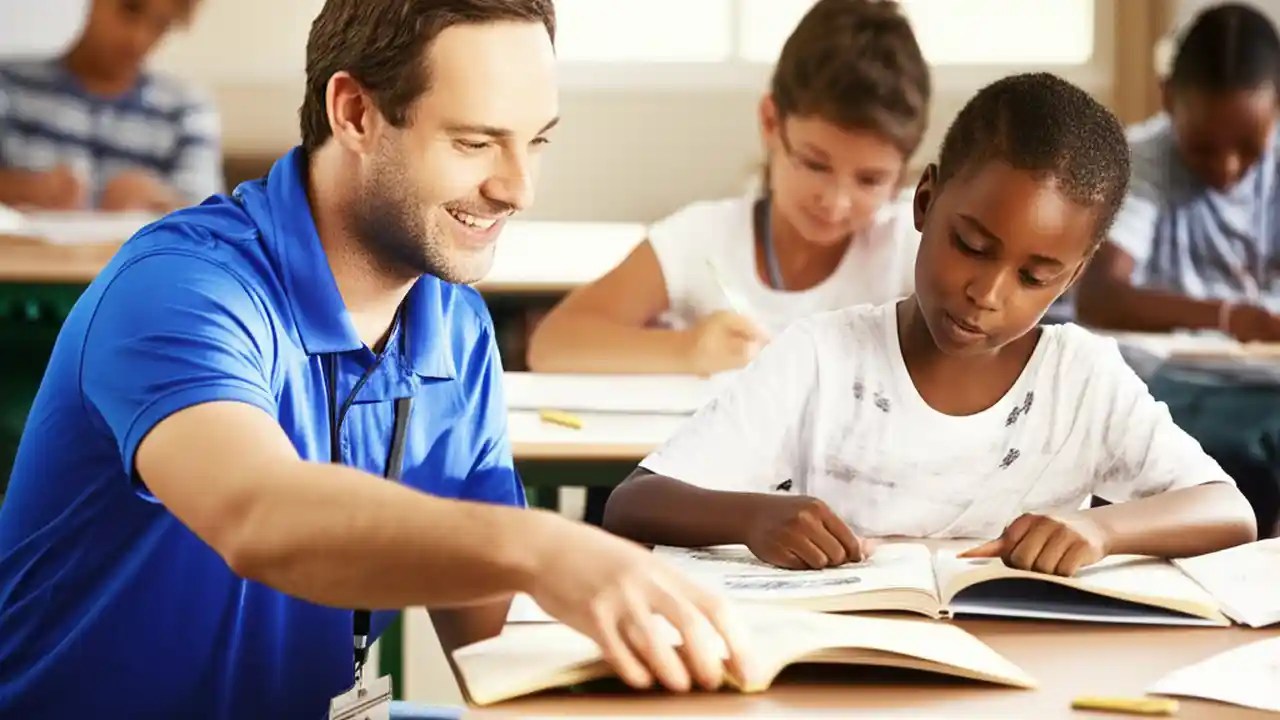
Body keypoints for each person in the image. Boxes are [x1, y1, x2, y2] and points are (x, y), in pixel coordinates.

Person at [0, 2, 753, 717]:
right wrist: (546, 545)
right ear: (355, 113)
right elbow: (259, 516)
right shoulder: (179, 287)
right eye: (474, 141)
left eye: (539, 140)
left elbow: (495, 636)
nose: (518, 187)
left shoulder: (456, 328)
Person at [602, 73, 1259, 576]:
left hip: (1030, 677)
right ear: (925, 202)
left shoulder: (1081, 378)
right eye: (971, 245)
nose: (987, 293)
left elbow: (1229, 511)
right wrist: (750, 516)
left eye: (1035, 277)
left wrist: (1104, 532)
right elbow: (632, 503)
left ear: (1074, 276)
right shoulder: (823, 357)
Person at [526, 0, 930, 377]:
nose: (836, 201)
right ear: (771, 122)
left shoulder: (909, 249)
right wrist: (688, 350)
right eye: (814, 164)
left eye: (871, 180)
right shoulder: (704, 239)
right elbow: (552, 345)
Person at [1077, 3, 1280, 339]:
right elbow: (1099, 296)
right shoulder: (1138, 160)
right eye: (1203, 148)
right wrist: (1230, 318)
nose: (1226, 167)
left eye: (1247, 148)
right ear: (1168, 98)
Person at [0, 0, 222, 213]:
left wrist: (159, 201)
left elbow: (214, 223)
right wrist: (24, 189)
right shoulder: (8, 85)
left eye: (161, 24)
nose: (138, 38)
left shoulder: (186, 112)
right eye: (130, 8)